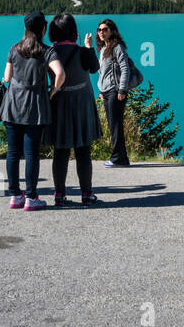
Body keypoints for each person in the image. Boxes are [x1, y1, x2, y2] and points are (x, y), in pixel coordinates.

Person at [44, 13, 103, 206]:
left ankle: (59, 195)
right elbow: (94, 68)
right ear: (73, 31)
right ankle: (87, 194)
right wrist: (89, 47)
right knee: (83, 150)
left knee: (60, 151)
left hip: (59, 104)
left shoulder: (49, 52)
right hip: (82, 104)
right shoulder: (82, 51)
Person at [1, 12, 52, 210]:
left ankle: (15, 195)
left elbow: (7, 76)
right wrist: (53, 90)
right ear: (43, 29)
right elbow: (60, 74)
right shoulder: (46, 50)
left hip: (12, 105)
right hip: (34, 107)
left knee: (12, 153)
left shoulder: (14, 49)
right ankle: (31, 197)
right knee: (31, 154)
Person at [96, 18, 136, 169]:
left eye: (105, 29)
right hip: (106, 92)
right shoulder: (103, 49)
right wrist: (101, 90)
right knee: (114, 124)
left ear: (112, 31)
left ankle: (117, 157)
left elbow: (125, 69)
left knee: (115, 125)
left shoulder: (117, 48)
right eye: (99, 30)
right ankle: (122, 158)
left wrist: (122, 90)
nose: (101, 32)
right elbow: (102, 73)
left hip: (115, 91)